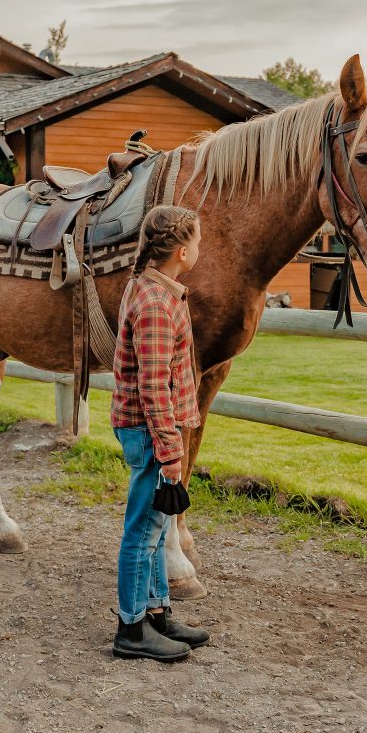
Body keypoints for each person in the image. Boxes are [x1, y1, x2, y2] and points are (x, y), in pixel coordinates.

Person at [110, 204, 212, 662]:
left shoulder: (157, 290)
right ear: (183, 250)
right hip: (152, 430)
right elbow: (153, 386)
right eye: (199, 242)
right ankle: (131, 628)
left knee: (155, 527)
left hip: (153, 430)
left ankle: (155, 612)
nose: (200, 250)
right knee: (142, 531)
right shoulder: (154, 304)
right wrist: (171, 450)